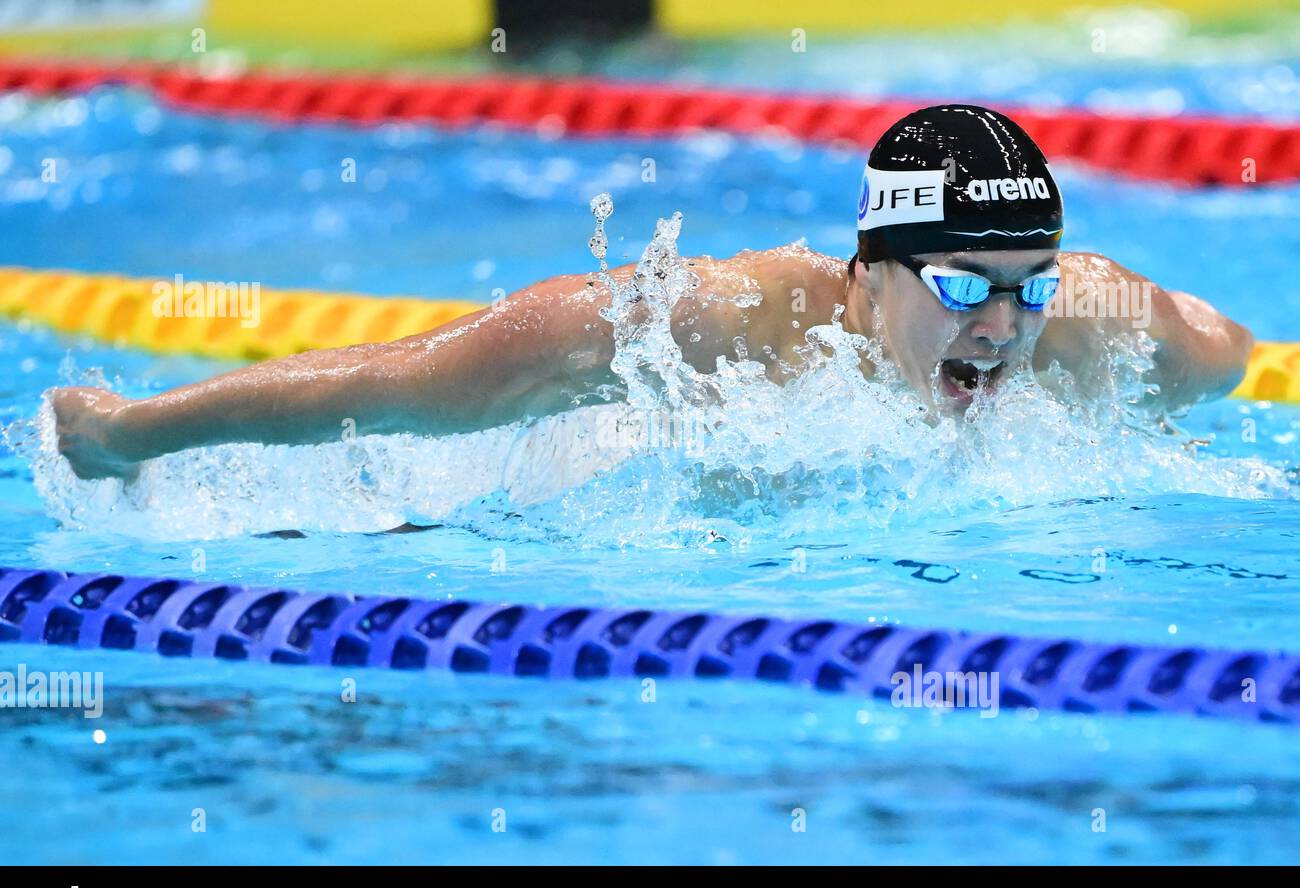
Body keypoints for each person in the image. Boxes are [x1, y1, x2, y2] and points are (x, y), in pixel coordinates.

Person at [50, 104, 1253, 482]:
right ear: (865, 276)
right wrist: (130, 430)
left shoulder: (1097, 329)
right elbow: (397, 379)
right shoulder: (704, 325)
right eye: (958, 282)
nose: (999, 325)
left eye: (1026, 286)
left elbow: (1236, 353)